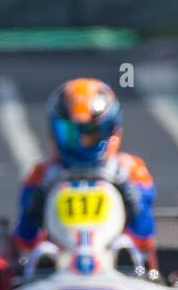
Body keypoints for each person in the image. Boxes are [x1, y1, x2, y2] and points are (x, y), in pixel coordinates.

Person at [11, 78, 157, 264]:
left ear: (111, 129)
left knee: (125, 244)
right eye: (71, 133)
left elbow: (144, 237)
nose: (82, 142)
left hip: (113, 257)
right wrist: (35, 207)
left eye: (90, 133)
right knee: (43, 250)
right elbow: (25, 239)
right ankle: (47, 266)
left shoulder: (130, 170)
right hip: (60, 261)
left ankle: (123, 264)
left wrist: (132, 201)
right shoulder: (42, 174)